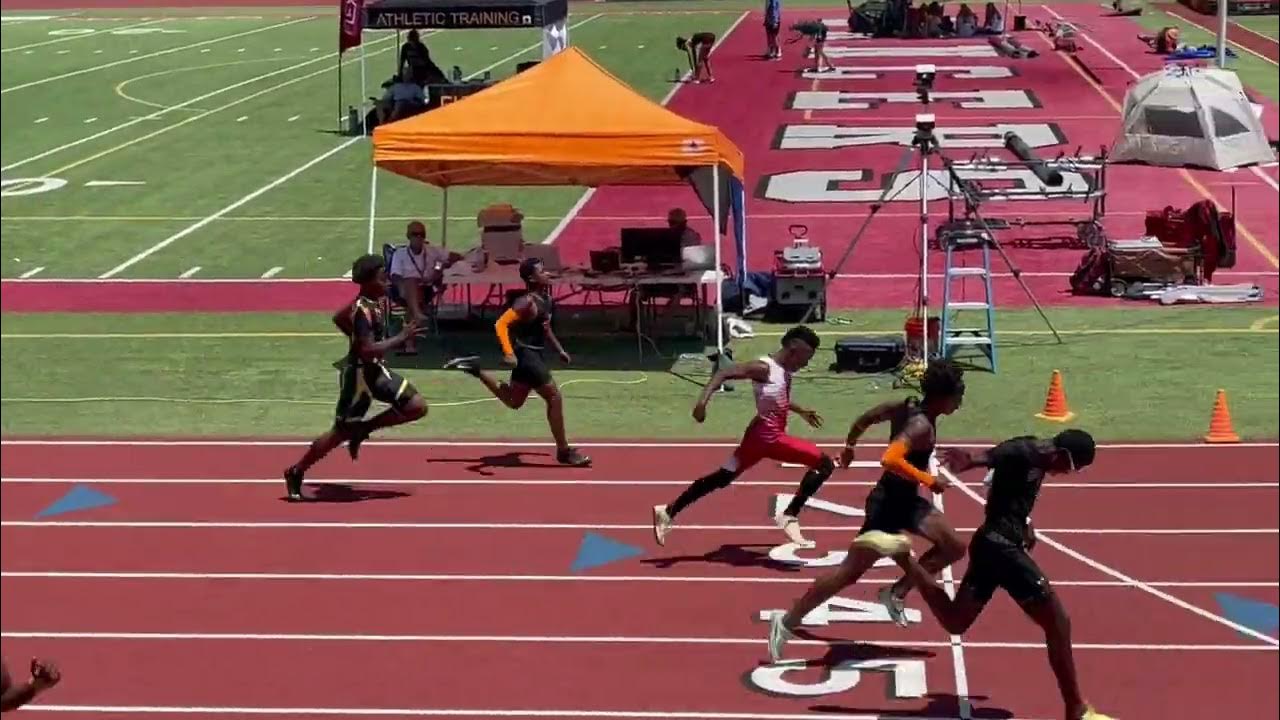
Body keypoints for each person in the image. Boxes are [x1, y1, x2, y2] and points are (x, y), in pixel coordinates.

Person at [890, 430, 1116, 720]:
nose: (1068, 474)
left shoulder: (1042, 459)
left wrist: (1025, 522)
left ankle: (904, 559)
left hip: (990, 546)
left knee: (956, 621)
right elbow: (993, 457)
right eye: (1072, 469)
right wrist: (969, 460)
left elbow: (1007, 488)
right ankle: (1076, 709)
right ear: (1062, 456)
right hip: (1002, 548)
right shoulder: (1023, 452)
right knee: (1058, 622)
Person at [766, 360, 967, 645]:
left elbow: (866, 418)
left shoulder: (906, 405)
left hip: (907, 501)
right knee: (848, 574)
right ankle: (786, 621)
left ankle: (896, 592)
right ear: (942, 397)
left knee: (954, 547)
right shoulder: (920, 425)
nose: (960, 403)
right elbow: (890, 458)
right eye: (958, 396)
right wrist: (929, 480)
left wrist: (850, 445)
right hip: (886, 507)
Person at [652, 326, 836, 548]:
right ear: (793, 348)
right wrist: (702, 403)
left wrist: (800, 411)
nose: (805, 364)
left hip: (757, 437)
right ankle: (789, 515)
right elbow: (723, 372)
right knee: (824, 464)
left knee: (722, 478)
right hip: (770, 438)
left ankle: (669, 510)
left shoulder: (783, 370)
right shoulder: (763, 368)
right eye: (806, 357)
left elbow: (777, 397)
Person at [283, 255, 427, 501]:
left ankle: (363, 429)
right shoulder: (363, 311)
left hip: (376, 371)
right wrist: (401, 338)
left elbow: (339, 317)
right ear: (369, 281)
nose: (387, 280)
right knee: (339, 433)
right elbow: (367, 350)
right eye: (382, 276)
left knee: (417, 406)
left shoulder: (375, 300)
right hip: (359, 378)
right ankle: (296, 471)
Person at [444, 258, 590, 467]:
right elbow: (501, 324)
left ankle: (477, 369)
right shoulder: (526, 302)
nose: (547, 273)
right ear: (531, 278)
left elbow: (545, 328)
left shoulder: (546, 299)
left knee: (514, 401)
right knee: (554, 397)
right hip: (526, 356)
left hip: (535, 355)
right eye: (542, 271)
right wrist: (508, 352)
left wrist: (559, 350)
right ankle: (564, 451)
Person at [389, 220, 459, 353]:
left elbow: (453, 257)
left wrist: (440, 267)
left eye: (422, 234)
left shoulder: (432, 251)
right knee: (411, 282)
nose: (419, 237)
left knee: (413, 299)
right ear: (408, 236)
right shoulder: (400, 253)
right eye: (415, 234)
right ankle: (416, 317)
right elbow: (395, 276)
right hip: (402, 289)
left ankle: (411, 339)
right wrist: (402, 286)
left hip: (426, 289)